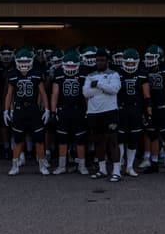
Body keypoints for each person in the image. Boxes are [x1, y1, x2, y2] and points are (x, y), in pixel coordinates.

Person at [3, 47, 48, 176]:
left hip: (33, 109)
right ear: (17, 62)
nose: (24, 64)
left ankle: (41, 165)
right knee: (17, 139)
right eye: (21, 62)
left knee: (39, 139)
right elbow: (9, 94)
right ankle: (15, 165)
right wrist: (6, 110)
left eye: (26, 61)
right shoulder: (12, 74)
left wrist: (47, 109)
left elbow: (43, 93)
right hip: (19, 109)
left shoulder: (36, 73)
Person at [83, 48, 122, 181]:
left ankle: (117, 171)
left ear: (107, 61)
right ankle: (102, 170)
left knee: (112, 141)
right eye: (97, 60)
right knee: (98, 141)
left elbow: (114, 89)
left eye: (102, 60)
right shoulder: (90, 75)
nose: (99, 62)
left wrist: (98, 84)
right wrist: (103, 89)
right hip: (93, 113)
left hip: (110, 112)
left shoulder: (114, 74)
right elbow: (86, 93)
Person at [142, 45, 165, 176]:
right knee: (153, 136)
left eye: (152, 57)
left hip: (163, 108)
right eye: (148, 57)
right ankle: (154, 163)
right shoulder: (145, 69)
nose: (149, 59)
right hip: (150, 108)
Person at [50, 51, 89, 175]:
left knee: (80, 139)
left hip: (79, 110)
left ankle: (82, 165)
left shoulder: (83, 73)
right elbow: (55, 94)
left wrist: (89, 111)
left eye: (73, 66)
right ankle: (62, 166)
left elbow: (87, 95)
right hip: (63, 110)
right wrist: (52, 111)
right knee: (62, 139)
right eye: (68, 65)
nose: (71, 68)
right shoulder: (59, 73)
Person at [116, 48, 147, 178]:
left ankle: (130, 166)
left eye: (132, 63)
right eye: (127, 63)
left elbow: (147, 95)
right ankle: (121, 165)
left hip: (136, 110)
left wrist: (148, 113)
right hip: (121, 110)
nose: (130, 65)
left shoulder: (142, 73)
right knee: (120, 139)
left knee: (133, 139)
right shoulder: (117, 73)